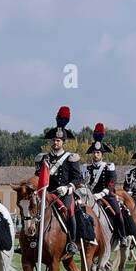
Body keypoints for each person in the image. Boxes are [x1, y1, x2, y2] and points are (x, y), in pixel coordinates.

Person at [36, 106, 91, 256]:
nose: (56, 142)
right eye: (54, 140)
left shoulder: (70, 157)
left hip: (64, 192)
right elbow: (37, 176)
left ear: (63, 142)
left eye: (58, 140)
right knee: (33, 212)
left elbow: (78, 178)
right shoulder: (43, 157)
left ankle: (72, 242)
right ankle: (32, 241)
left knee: (70, 212)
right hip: (47, 193)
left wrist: (68, 188)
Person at [85, 123, 133, 241]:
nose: (95, 155)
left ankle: (122, 236)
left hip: (107, 195)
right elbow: (84, 183)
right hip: (90, 196)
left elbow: (111, 184)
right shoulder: (86, 167)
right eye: (94, 153)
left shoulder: (108, 166)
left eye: (98, 153)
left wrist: (101, 194)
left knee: (118, 213)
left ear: (102, 154)